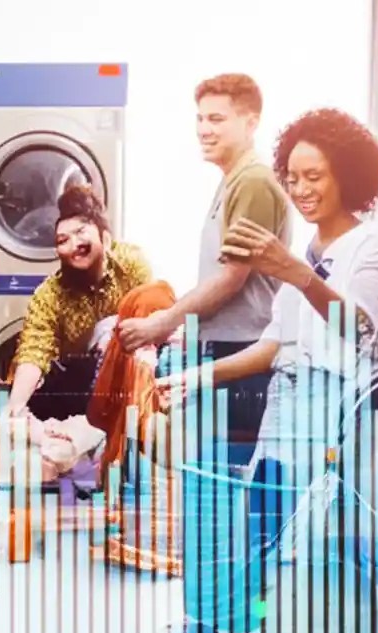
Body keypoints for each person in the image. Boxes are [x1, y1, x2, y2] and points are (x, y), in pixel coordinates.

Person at [152, 107, 378, 633]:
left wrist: (290, 268)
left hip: (332, 406)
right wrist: (200, 375)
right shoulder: (310, 250)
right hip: (287, 404)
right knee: (265, 524)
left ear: (348, 177)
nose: (302, 188)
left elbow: (355, 325)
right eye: (294, 175)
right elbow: (275, 345)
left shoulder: (371, 245)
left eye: (316, 176)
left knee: (318, 533)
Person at [118, 73, 291, 445]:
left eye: (216, 119)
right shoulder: (234, 179)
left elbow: (232, 278)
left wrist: (162, 322)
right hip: (229, 345)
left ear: (251, 123)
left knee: (221, 473)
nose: (203, 129)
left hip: (243, 351)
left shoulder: (253, 181)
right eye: (200, 118)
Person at [4, 185, 165, 421]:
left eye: (81, 232)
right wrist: (14, 408)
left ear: (106, 239)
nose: (74, 245)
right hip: (76, 385)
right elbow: (33, 352)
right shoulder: (49, 295)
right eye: (63, 239)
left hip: (132, 369)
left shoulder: (131, 263)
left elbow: (152, 314)